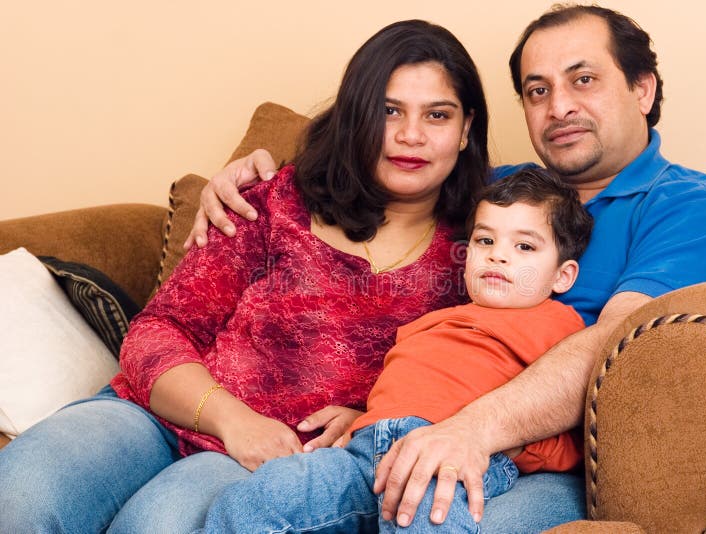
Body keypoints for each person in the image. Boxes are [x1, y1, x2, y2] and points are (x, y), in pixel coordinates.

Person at [189, 5, 706, 531]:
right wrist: (262, 178)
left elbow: (611, 346)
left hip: (543, 464)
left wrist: (468, 429)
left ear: (642, 89)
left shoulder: (697, 211)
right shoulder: (494, 190)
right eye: (537, 90)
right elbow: (374, 171)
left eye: (584, 79)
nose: (559, 106)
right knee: (260, 504)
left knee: (429, 517)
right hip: (406, 429)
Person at [0, 20, 490, 533]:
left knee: (160, 525)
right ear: (355, 117)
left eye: (437, 115)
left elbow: (469, 375)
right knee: (22, 489)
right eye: (389, 111)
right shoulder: (276, 200)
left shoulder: (484, 250)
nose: (411, 135)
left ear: (465, 129)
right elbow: (156, 332)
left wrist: (372, 421)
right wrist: (234, 421)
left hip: (270, 464)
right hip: (155, 413)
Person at [198, 168, 594, 533]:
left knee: (427, 515)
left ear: (563, 275)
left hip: (449, 459)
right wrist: (368, 417)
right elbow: (407, 390)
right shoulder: (432, 321)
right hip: (363, 452)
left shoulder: (558, 326)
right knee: (259, 496)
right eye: (485, 240)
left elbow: (571, 418)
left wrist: (524, 445)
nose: (498, 254)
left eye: (524, 247)